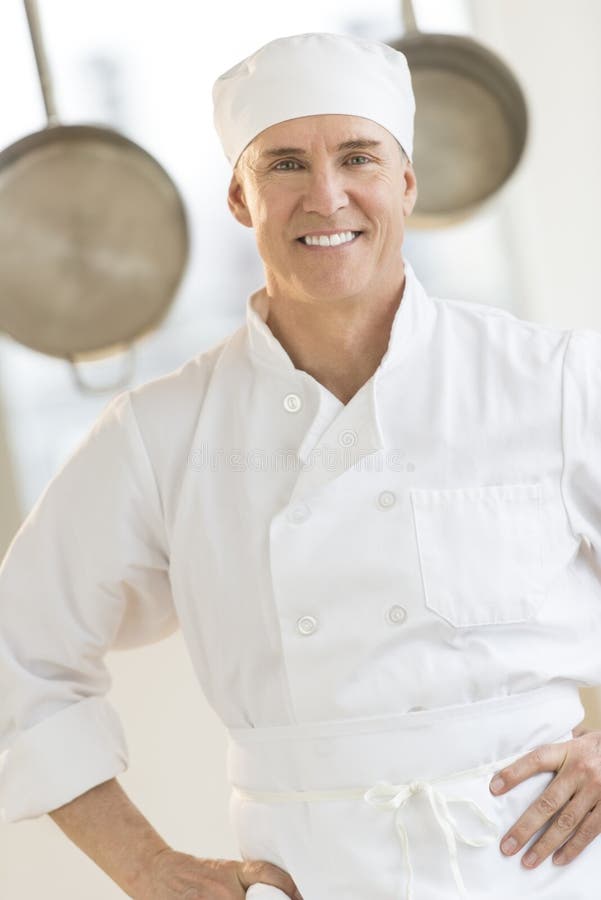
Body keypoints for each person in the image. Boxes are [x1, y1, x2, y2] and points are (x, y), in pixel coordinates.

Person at [1, 30, 601, 900]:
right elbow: (17, 649)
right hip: (314, 875)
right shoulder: (160, 433)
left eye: (358, 157)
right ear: (239, 198)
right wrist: (144, 867)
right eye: (284, 164)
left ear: (406, 182)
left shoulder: (551, 380)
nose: (326, 196)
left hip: (553, 874)